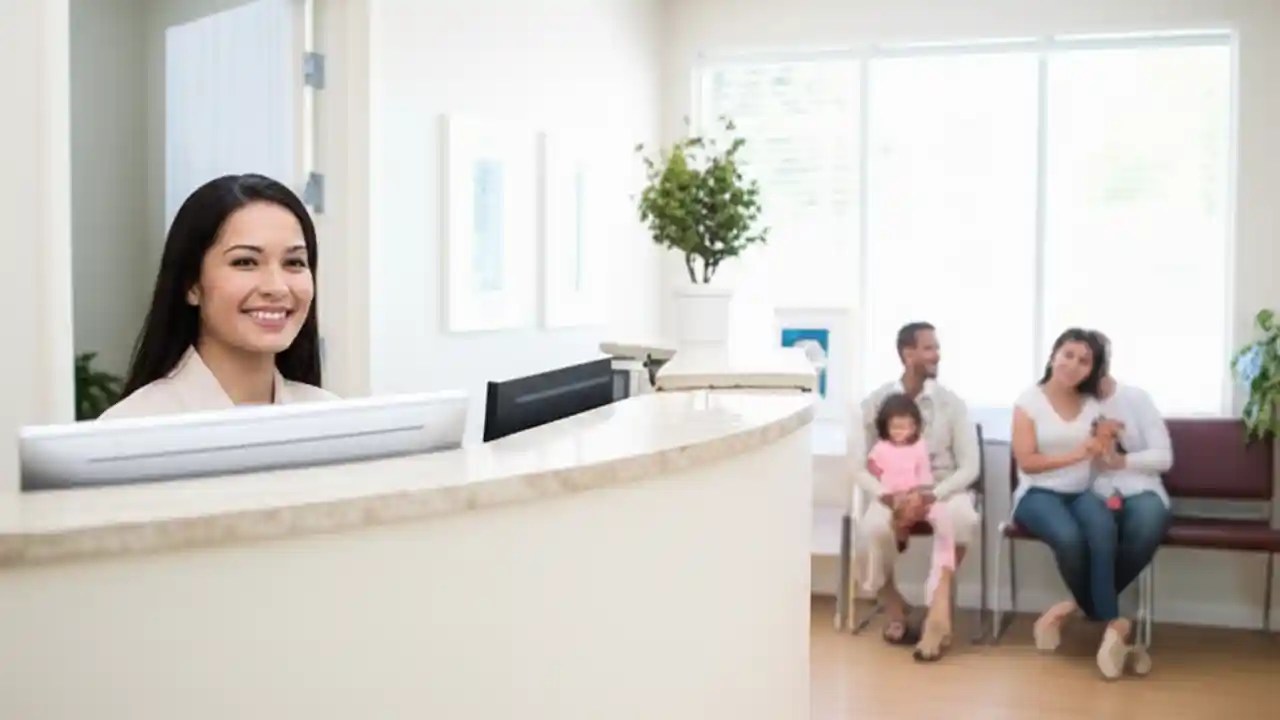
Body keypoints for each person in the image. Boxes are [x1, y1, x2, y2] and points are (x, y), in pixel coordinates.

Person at [101, 174, 336, 420]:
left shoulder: (330, 418)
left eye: (294, 262)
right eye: (245, 262)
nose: (277, 288)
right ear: (192, 285)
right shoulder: (132, 427)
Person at [1010, 327, 1138, 679]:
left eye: (1085, 361)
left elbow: (1103, 457)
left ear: (1091, 370)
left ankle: (1091, 619)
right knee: (1069, 540)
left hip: (1082, 491)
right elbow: (1027, 461)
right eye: (1068, 355)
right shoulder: (1028, 402)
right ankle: (1111, 622)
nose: (1074, 364)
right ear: (1053, 355)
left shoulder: (1093, 405)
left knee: (1103, 531)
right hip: (1037, 493)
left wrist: (1108, 441)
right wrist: (1076, 454)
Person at [850, 322, 981, 661]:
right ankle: (892, 603)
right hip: (890, 491)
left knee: (963, 519)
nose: (937, 355)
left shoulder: (951, 404)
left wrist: (933, 494)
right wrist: (888, 496)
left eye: (937, 348)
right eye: (929, 348)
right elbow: (858, 466)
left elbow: (970, 467)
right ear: (908, 355)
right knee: (872, 529)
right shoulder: (875, 402)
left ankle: (938, 612)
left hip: (942, 488)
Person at [867, 393, 956, 615]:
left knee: (943, 516)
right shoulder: (881, 448)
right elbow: (872, 467)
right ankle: (899, 535)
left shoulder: (919, 447)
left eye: (904, 428)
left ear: (915, 426)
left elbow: (924, 473)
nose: (899, 433)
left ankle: (939, 576)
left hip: (917, 493)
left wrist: (922, 492)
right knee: (886, 522)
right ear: (885, 426)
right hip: (893, 497)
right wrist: (884, 488)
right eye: (894, 428)